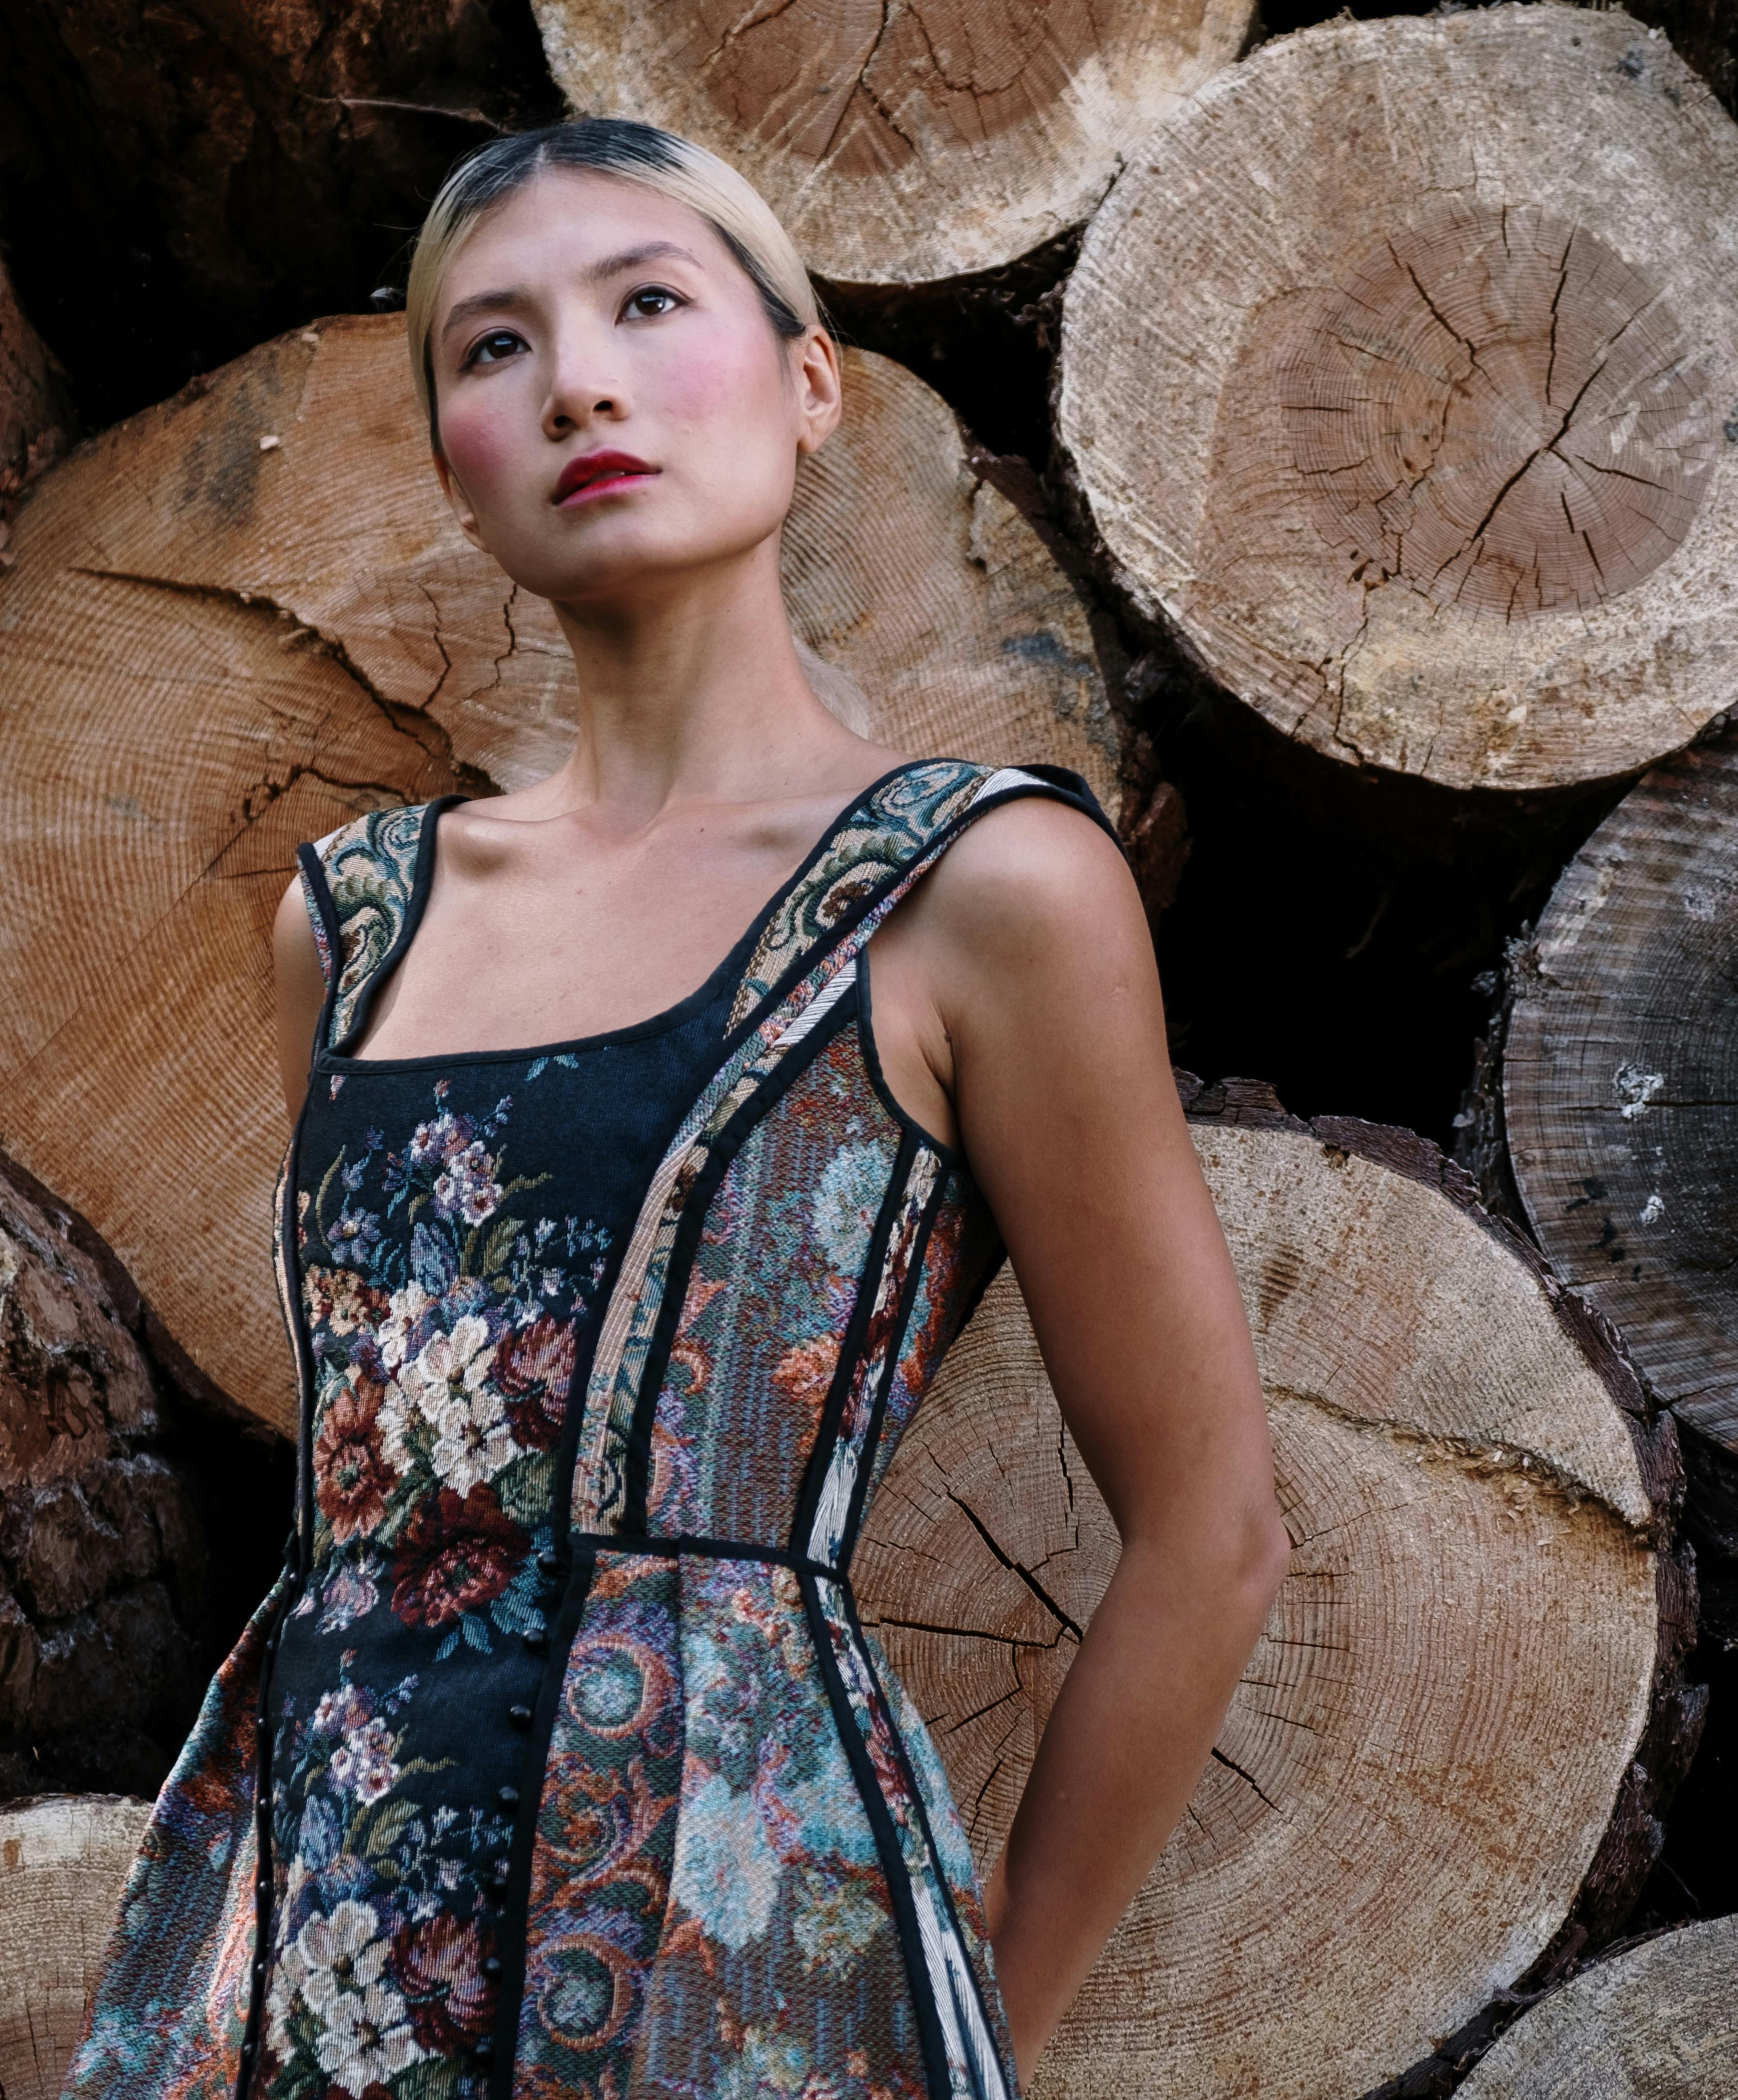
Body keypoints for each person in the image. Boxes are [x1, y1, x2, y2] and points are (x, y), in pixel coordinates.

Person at [62, 116, 1287, 2100]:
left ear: (811, 385)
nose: (583, 382)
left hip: (731, 1947)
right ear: (457, 460)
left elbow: (1212, 1531)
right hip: (325, 1933)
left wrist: (985, 2013)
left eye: (649, 302)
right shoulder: (351, 927)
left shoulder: (978, 889)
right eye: (494, 347)